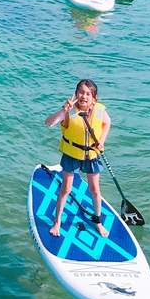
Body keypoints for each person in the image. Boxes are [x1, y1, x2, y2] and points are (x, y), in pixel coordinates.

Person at [43, 79, 112, 238]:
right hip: (72, 155)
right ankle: (57, 222)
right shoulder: (69, 111)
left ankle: (98, 222)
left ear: (94, 98)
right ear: (75, 94)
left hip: (91, 155)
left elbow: (107, 123)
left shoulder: (99, 110)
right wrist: (64, 110)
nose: (84, 96)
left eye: (88, 94)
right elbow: (48, 123)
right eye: (81, 92)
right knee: (66, 189)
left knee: (95, 190)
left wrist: (101, 141)